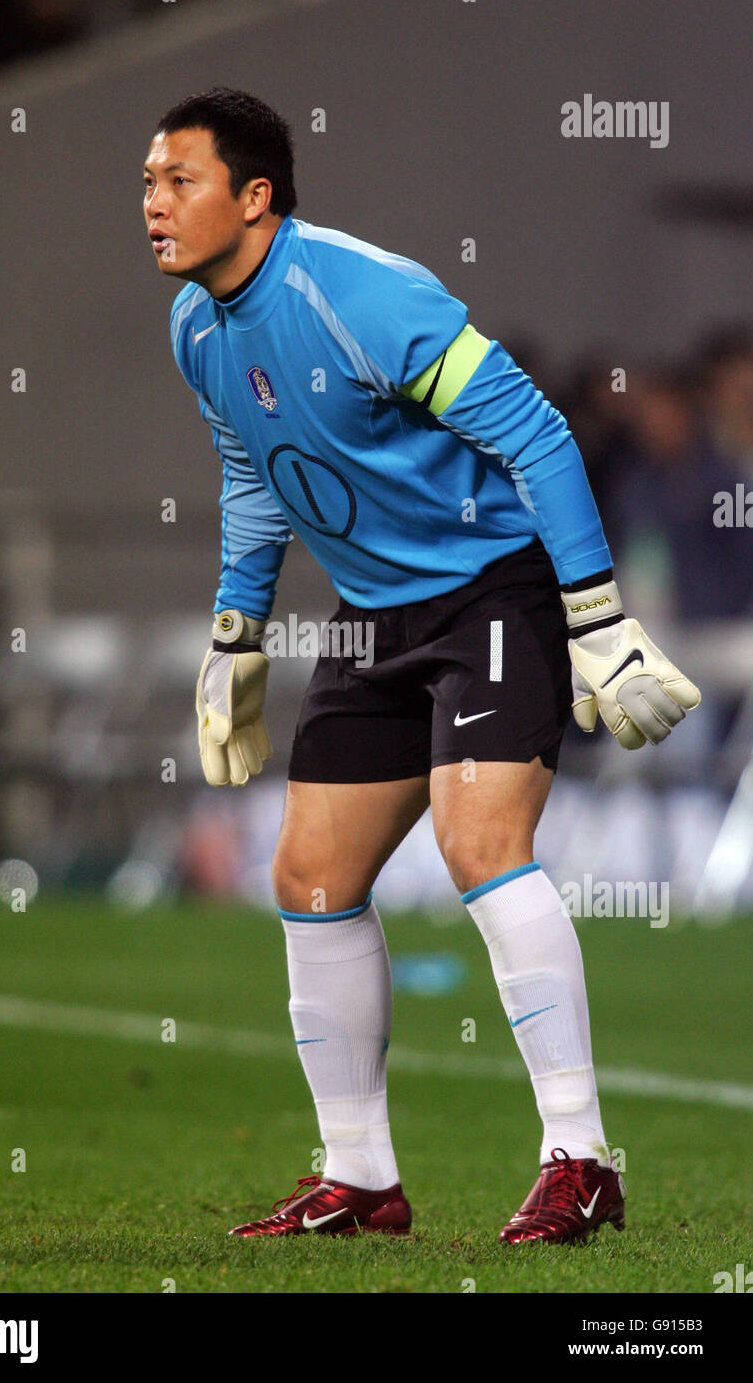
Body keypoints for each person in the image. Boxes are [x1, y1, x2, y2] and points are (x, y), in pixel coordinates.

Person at [143, 86, 700, 1244]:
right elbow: (254, 480)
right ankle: (358, 1179)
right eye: (146, 183)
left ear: (253, 197)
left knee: (479, 842)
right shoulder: (196, 328)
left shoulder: (360, 294)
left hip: (492, 588)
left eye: (176, 180)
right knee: (306, 876)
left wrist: (593, 613)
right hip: (376, 616)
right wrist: (236, 633)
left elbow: (536, 433)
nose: (151, 205)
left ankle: (579, 1158)